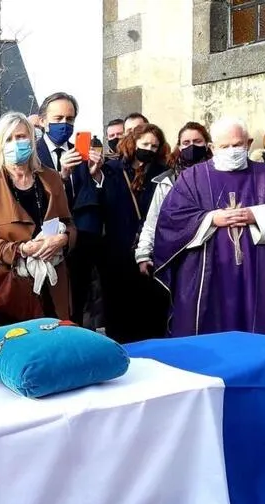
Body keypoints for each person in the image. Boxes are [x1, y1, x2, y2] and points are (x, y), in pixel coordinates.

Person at [153, 117, 265, 338]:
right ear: (212, 147)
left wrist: (255, 214)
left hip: (261, 271)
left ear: (249, 142)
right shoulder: (192, 178)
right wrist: (210, 219)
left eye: (237, 145)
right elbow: (171, 220)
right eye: (224, 146)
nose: (232, 150)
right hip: (206, 273)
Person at [0, 112, 75, 332]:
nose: (16, 143)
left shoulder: (51, 178)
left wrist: (62, 239)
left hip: (51, 287)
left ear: (31, 138)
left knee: (52, 354)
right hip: (7, 293)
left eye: (21, 136)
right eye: (8, 139)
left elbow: (69, 223)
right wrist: (19, 250)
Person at [81, 123, 170, 343]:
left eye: (154, 146)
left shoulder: (162, 173)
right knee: (119, 312)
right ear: (134, 142)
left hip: (150, 251)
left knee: (151, 311)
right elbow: (99, 204)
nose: (149, 149)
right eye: (145, 143)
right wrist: (95, 177)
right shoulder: (112, 169)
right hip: (117, 252)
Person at [36, 92, 100, 327]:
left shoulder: (81, 153)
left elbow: (90, 200)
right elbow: (33, 198)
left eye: (70, 119)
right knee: (49, 314)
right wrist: (60, 176)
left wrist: (95, 174)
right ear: (43, 121)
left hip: (79, 247)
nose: (64, 124)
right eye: (58, 118)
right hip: (46, 246)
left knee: (77, 312)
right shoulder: (33, 153)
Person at [135, 121, 212, 274]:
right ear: (180, 146)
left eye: (197, 141)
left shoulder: (218, 175)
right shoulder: (168, 181)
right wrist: (143, 254)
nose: (191, 146)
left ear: (207, 144)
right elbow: (153, 220)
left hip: (212, 254)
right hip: (177, 254)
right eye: (186, 142)